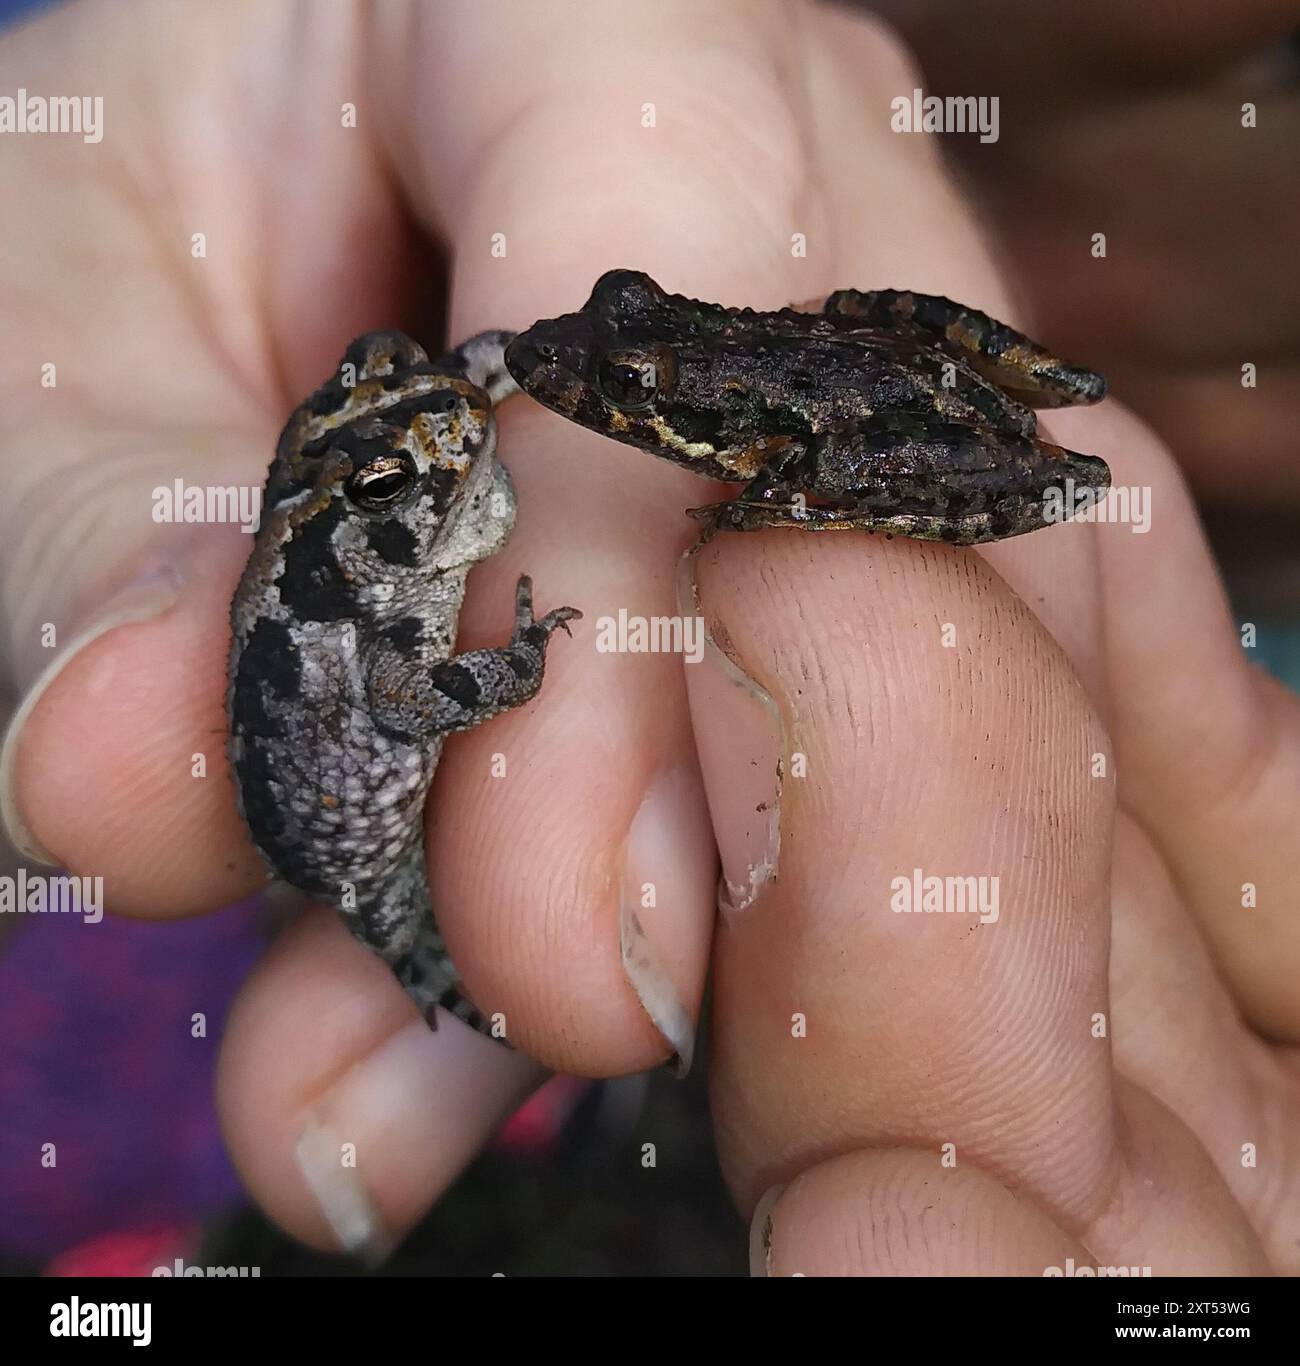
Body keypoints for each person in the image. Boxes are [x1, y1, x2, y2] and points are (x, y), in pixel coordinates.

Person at [1, 0, 1296, 1274]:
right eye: (401, 476)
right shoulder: (346, 622)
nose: (452, 418)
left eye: (407, 374)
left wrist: (749, 491)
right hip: (359, 842)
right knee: (473, 943)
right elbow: (411, 690)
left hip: (873, 427)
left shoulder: (473, 468)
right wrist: (524, 659)